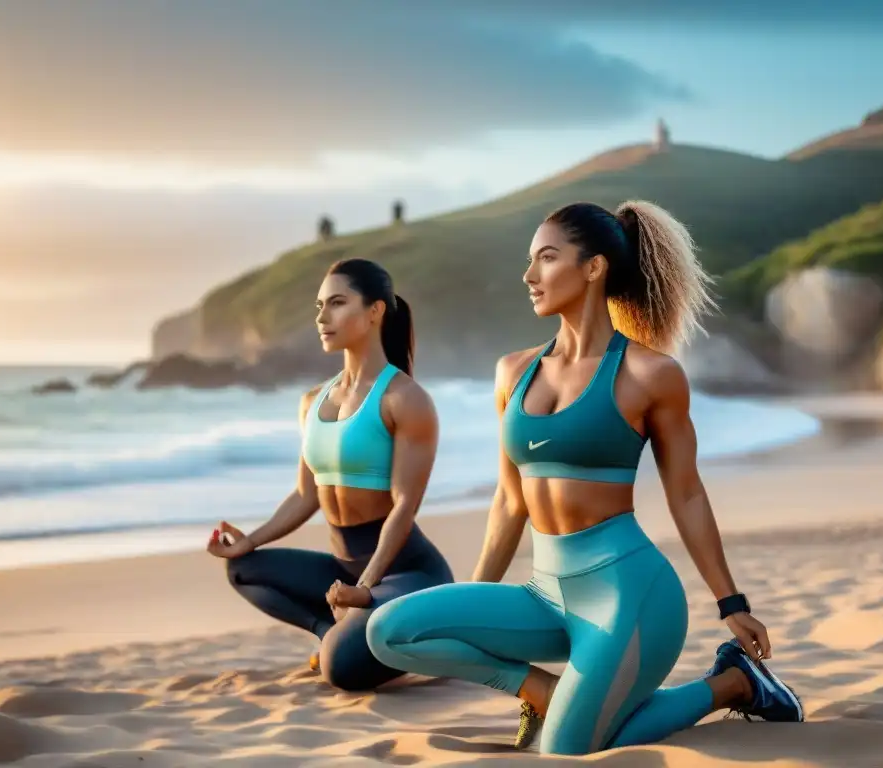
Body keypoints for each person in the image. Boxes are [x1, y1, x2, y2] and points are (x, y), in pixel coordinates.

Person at [366, 201, 804, 755]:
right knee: (389, 632)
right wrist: (474, 596)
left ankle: (734, 684)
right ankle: (543, 692)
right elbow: (508, 500)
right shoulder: (513, 372)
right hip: (542, 591)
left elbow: (687, 494)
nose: (529, 276)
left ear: (593, 268)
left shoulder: (651, 375)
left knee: (567, 749)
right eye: (530, 261)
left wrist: (731, 603)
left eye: (547, 259)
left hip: (628, 597)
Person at [207, 258, 454, 692]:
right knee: (244, 569)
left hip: (405, 573)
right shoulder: (311, 401)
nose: (322, 317)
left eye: (337, 304)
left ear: (375, 311)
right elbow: (305, 495)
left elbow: (404, 506)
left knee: (342, 670)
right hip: (343, 566)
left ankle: (402, 633)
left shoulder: (404, 399)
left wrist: (364, 587)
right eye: (320, 306)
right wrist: (251, 540)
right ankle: (330, 630)